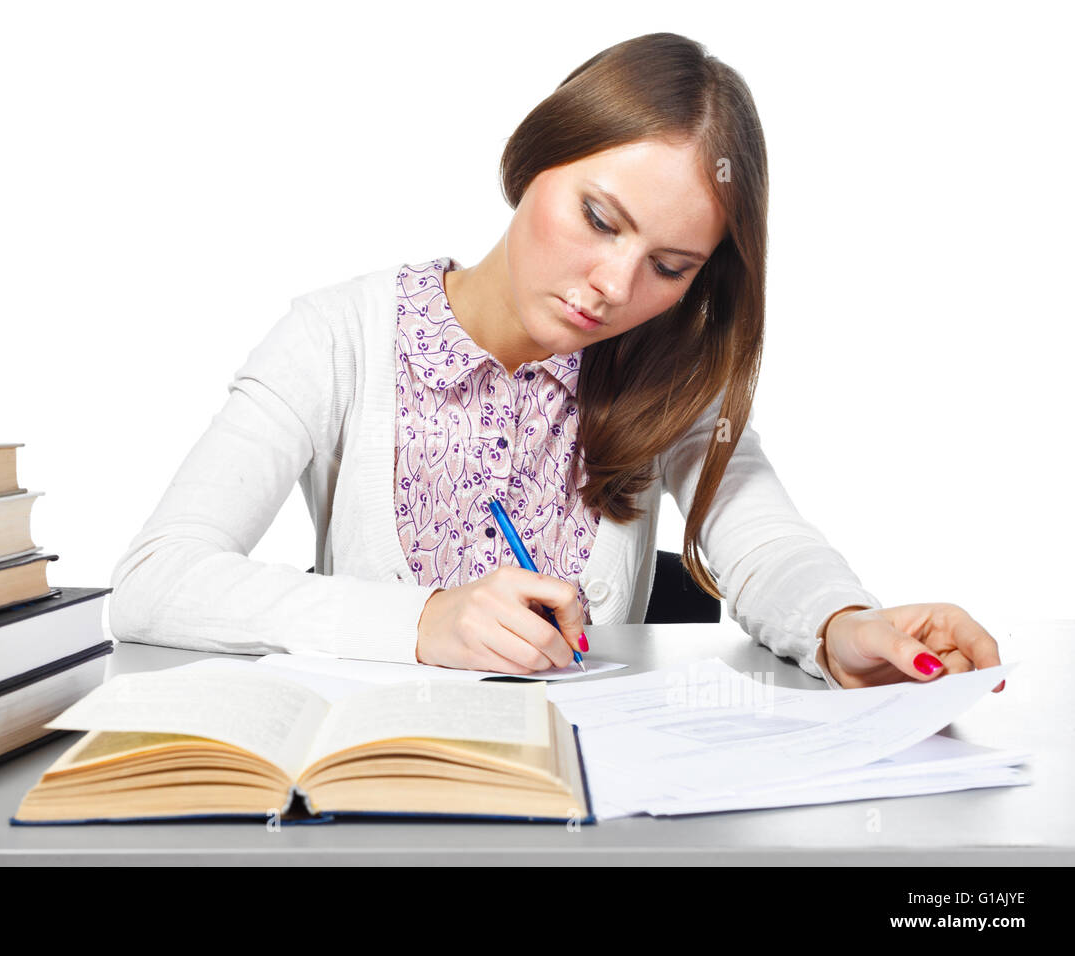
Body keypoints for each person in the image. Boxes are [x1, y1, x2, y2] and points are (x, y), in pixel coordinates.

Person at [108, 32, 1004, 692]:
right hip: (373, 799)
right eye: (600, 219)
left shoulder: (666, 375)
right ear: (536, 159)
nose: (613, 286)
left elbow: (766, 545)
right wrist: (424, 622)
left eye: (669, 266)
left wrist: (842, 624)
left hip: (591, 809)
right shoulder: (336, 337)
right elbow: (155, 582)